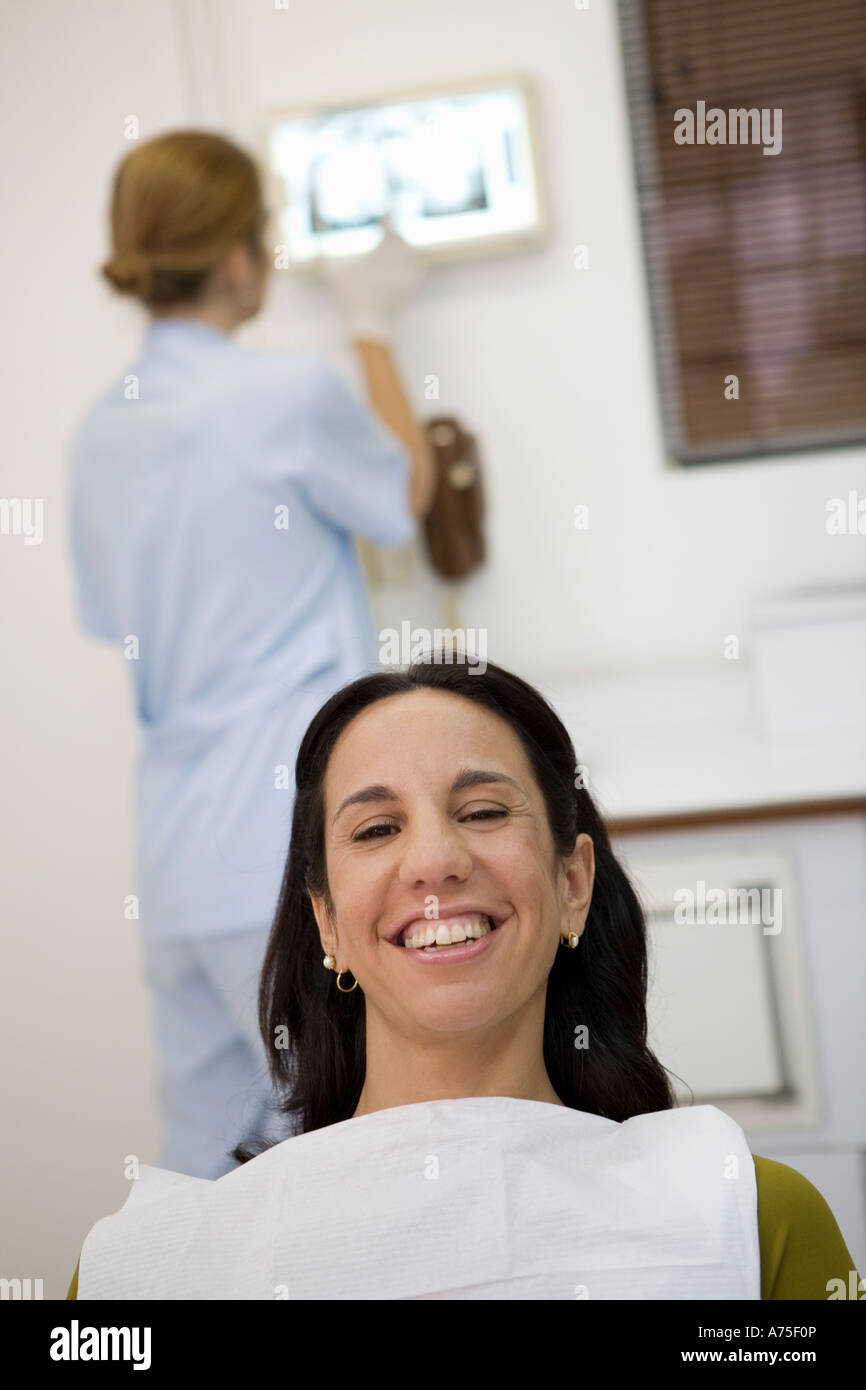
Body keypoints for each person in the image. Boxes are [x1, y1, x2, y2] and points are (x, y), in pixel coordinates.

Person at [68, 657, 860, 1299]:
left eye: (482, 811)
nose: (435, 862)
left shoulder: (750, 1222)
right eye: (377, 829)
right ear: (329, 925)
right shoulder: (146, 1272)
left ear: (573, 883)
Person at [67, 129, 436, 1182]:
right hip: (277, 863)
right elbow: (402, 497)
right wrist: (370, 320)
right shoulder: (281, 396)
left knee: (206, 1182)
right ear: (240, 256)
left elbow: (109, 617)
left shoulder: (99, 431)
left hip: (176, 869)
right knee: (351, 1162)